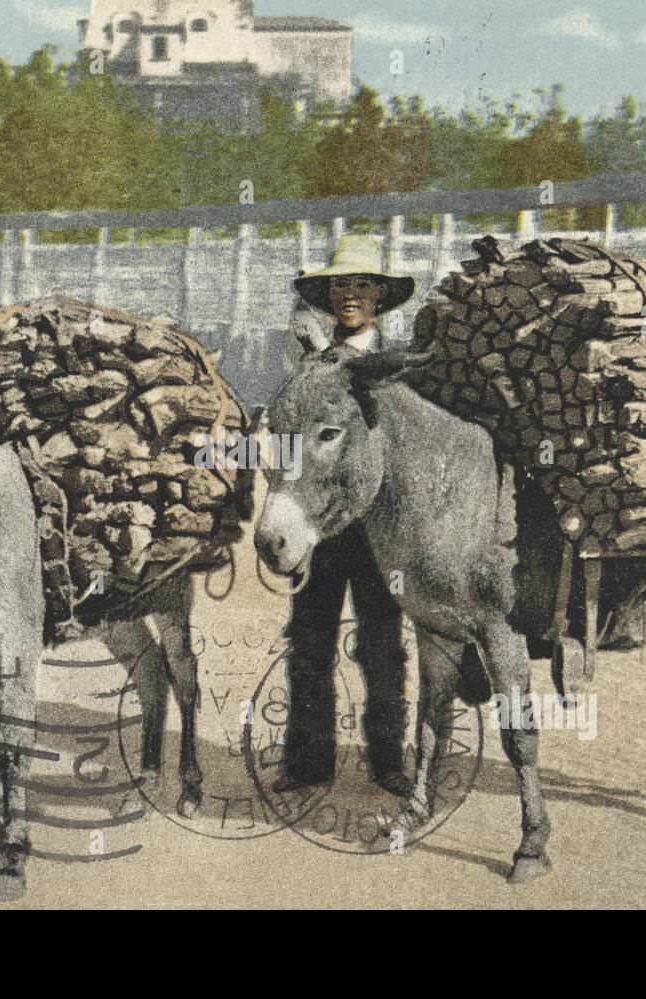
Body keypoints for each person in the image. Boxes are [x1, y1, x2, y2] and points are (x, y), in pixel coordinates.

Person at [273, 235, 416, 796]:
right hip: (319, 523)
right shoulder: (306, 362)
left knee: (382, 642)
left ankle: (389, 764)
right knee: (309, 641)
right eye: (339, 287)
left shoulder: (396, 366)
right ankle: (308, 763)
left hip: (378, 527)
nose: (348, 296)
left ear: (379, 297)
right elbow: (287, 437)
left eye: (359, 286)